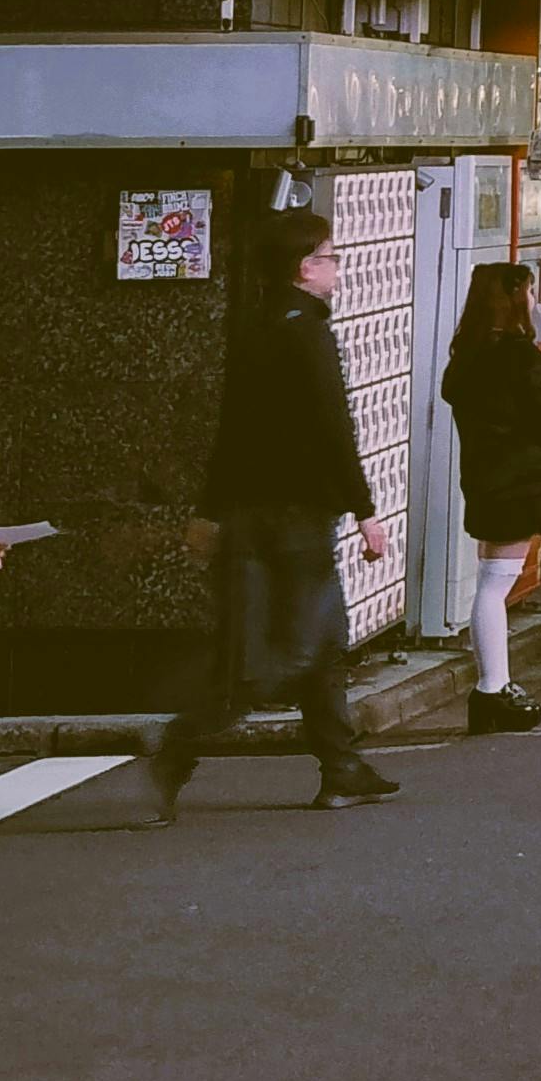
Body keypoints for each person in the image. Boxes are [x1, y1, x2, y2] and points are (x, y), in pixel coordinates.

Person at [150, 210, 399, 814]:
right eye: (330, 258)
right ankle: (183, 736)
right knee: (296, 649)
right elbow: (333, 427)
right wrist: (366, 511)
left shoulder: (255, 326)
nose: (337, 269)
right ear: (304, 267)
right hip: (301, 514)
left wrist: (210, 509)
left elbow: (231, 427)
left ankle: (340, 767)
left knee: (322, 642)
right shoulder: (307, 332)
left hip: (248, 511)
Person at [440, 259, 541, 733]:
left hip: (485, 478)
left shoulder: (469, 354)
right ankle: (492, 688)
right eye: (530, 293)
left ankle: (492, 687)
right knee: (497, 583)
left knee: (490, 579)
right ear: (514, 298)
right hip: (520, 480)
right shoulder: (519, 356)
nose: (534, 302)